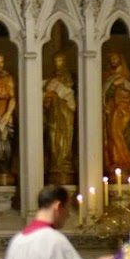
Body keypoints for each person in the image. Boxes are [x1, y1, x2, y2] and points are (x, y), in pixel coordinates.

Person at [102, 50, 130, 174]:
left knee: (121, 132)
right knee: (112, 133)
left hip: (124, 108)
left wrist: (124, 87)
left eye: (115, 58)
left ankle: (125, 161)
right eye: (111, 58)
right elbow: (104, 92)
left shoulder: (126, 75)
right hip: (112, 109)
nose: (113, 61)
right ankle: (116, 160)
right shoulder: (107, 76)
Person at [42, 51, 77, 179]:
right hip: (54, 111)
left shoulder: (68, 76)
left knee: (65, 135)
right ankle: (55, 162)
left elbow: (68, 92)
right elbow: (47, 94)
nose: (58, 63)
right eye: (56, 61)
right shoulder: (51, 78)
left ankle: (64, 161)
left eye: (60, 60)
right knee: (53, 136)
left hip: (65, 111)